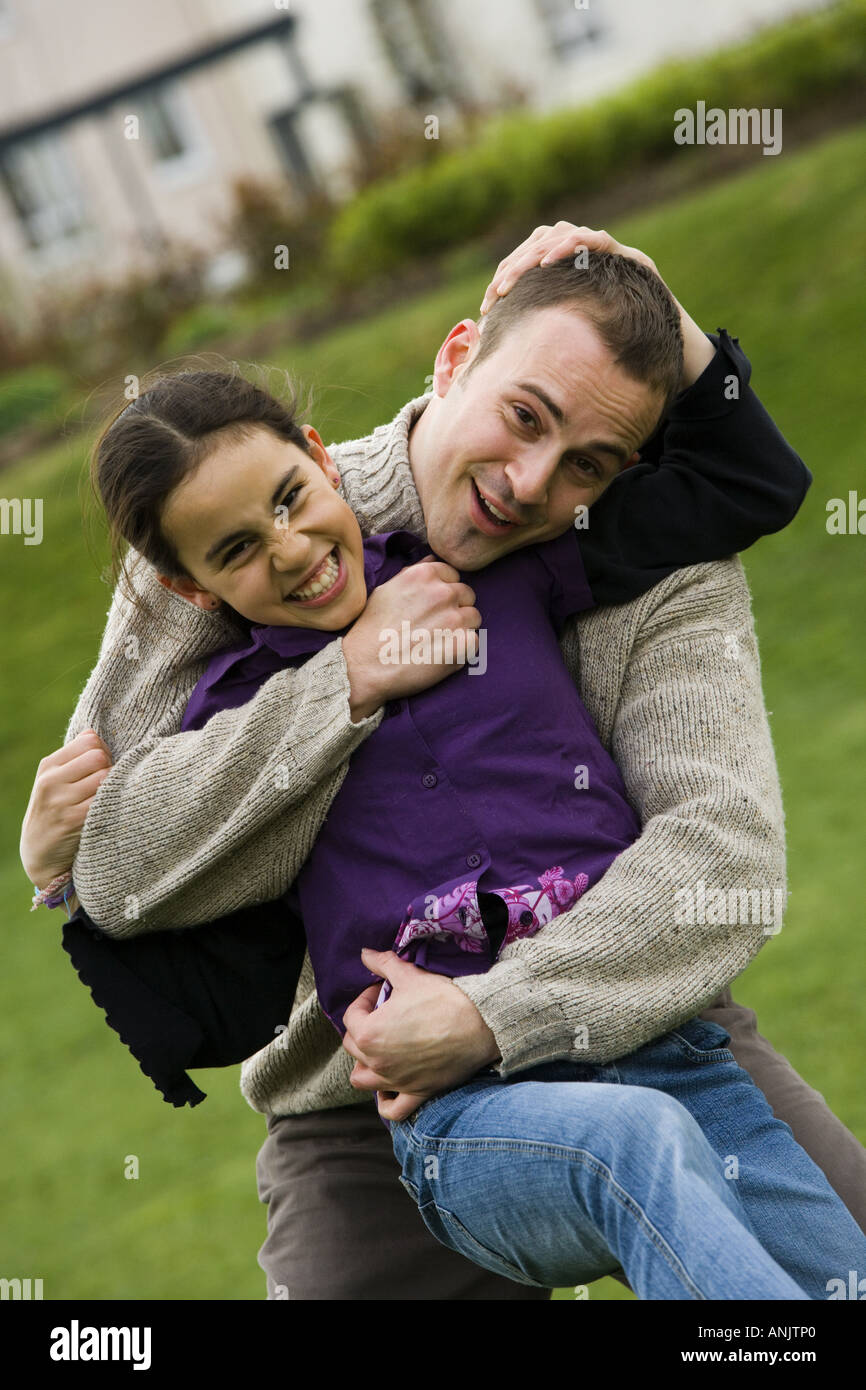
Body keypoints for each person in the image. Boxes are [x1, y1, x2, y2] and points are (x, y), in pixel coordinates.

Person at [21, 224, 866, 1299]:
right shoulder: (261, 499)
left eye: (588, 462)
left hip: (629, 1013)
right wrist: (347, 678)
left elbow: (724, 863)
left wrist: (485, 1016)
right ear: (456, 354)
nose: (527, 482)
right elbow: (114, 847)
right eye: (522, 416)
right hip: (367, 1101)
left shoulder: (626, 552)